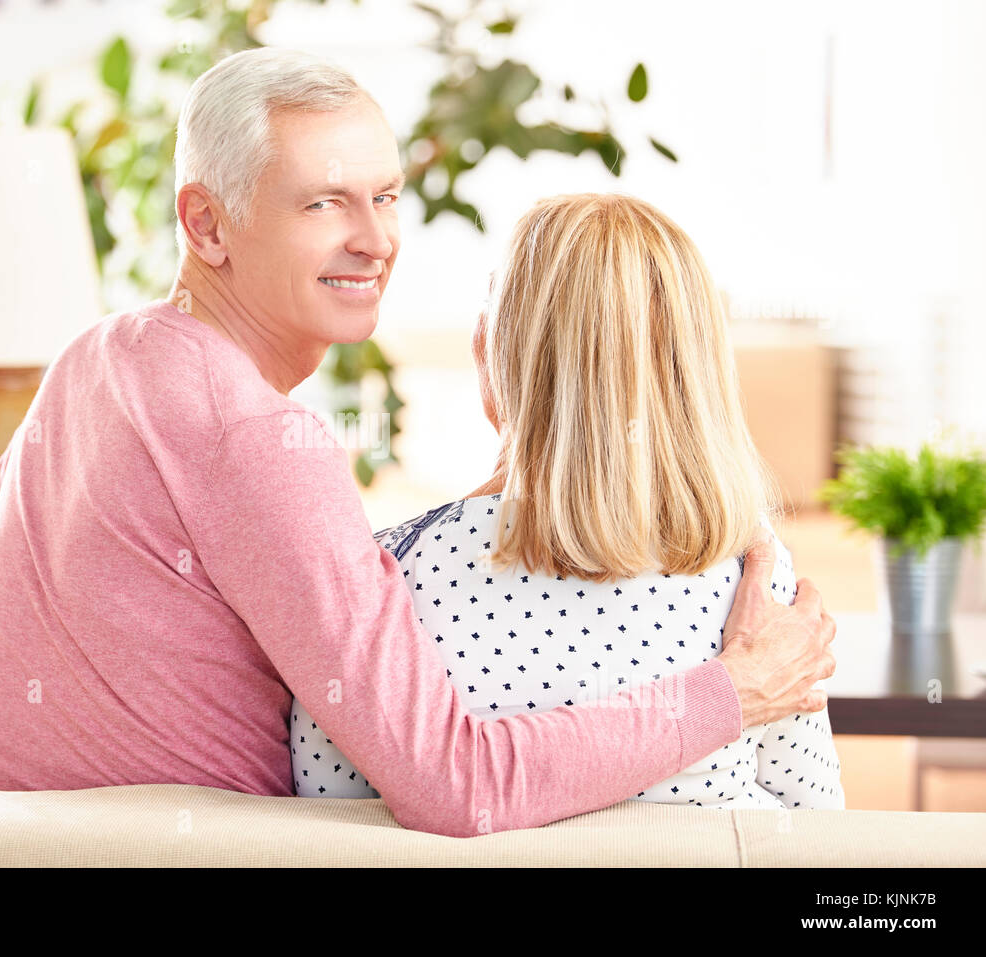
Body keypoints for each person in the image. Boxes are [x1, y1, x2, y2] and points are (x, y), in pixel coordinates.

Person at [0, 48, 836, 838]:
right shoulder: (258, 441)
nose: (375, 239)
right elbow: (455, 782)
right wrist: (735, 691)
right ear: (206, 224)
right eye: (324, 204)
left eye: (385, 197)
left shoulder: (95, 357)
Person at [292, 194, 844, 810]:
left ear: (488, 351)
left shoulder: (385, 578)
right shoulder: (755, 583)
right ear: (699, 370)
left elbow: (330, 814)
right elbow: (817, 824)